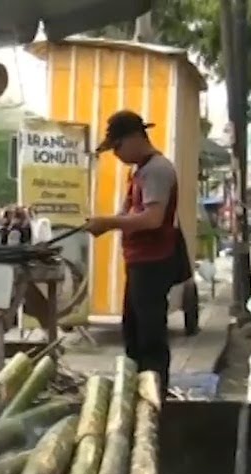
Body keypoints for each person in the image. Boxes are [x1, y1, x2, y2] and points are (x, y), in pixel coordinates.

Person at [83, 110, 186, 394]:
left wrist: (109, 223)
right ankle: (136, 390)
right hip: (139, 262)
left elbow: (152, 219)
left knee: (150, 336)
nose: (116, 155)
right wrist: (108, 219)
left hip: (153, 263)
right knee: (133, 331)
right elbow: (131, 212)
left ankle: (154, 395)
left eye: (117, 147)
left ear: (134, 138)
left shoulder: (157, 170)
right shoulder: (140, 171)